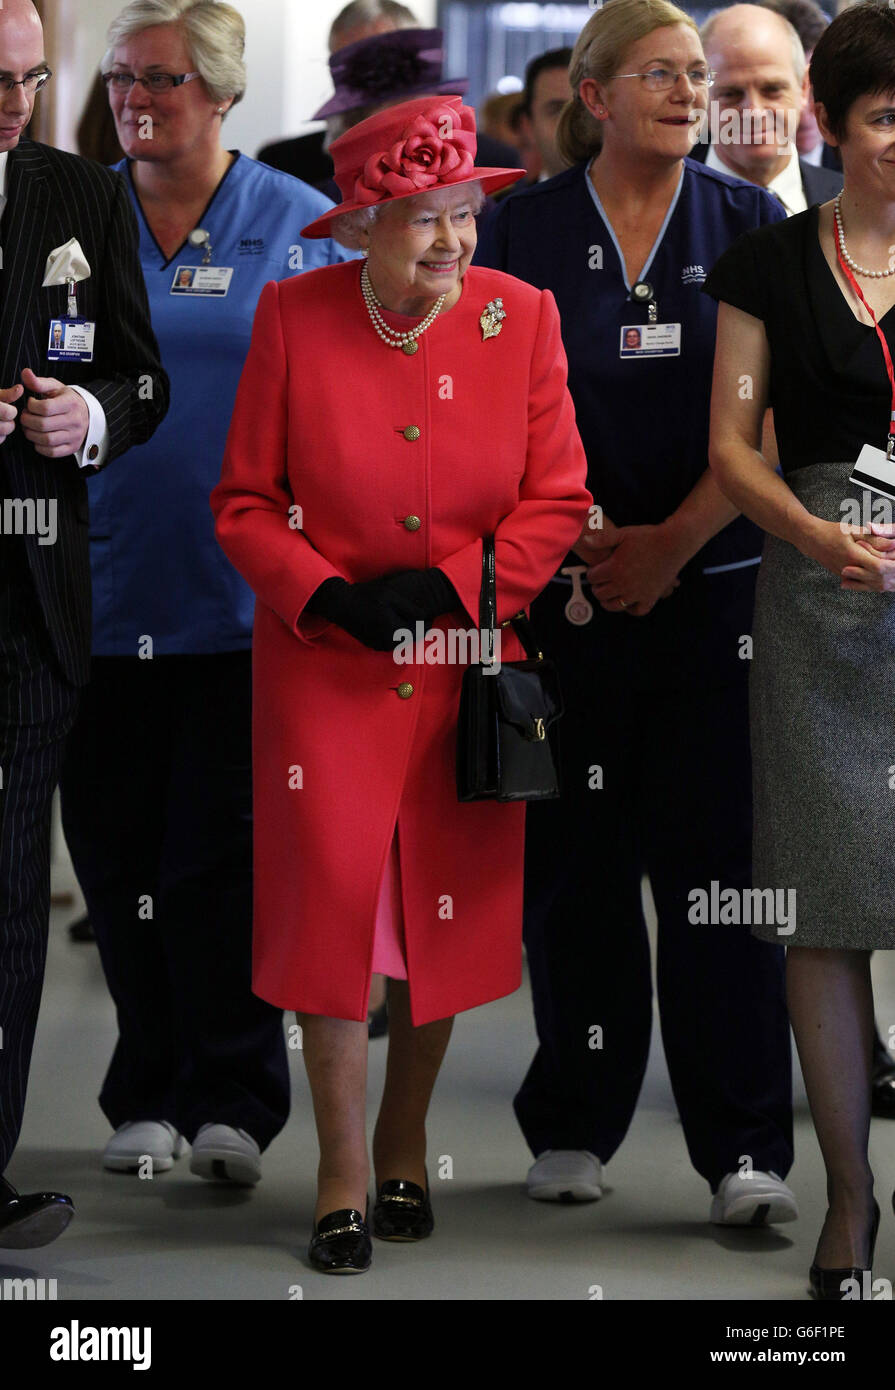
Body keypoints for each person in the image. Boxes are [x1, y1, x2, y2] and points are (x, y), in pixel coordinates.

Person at [211, 94, 591, 1273]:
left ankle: (404, 1138)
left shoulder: (520, 316)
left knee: (440, 911)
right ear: (362, 226)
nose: (452, 241)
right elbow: (241, 503)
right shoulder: (292, 315)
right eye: (422, 219)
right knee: (332, 904)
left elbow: (557, 498)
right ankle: (335, 1171)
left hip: (466, 661)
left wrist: (447, 589)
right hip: (324, 667)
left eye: (464, 214)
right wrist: (326, 594)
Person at [478, 0, 797, 1231]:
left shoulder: (750, 221)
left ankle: (742, 1150)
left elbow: (768, 420)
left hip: (709, 592)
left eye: (699, 75)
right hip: (567, 596)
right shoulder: (519, 228)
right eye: (660, 73)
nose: (689, 91)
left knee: (720, 882)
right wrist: (581, 537)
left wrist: (669, 544)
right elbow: (490, 405)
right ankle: (571, 1120)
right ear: (593, 98)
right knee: (579, 873)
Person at [58, 0, 350, 1186]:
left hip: (245, 606)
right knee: (117, 859)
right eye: (123, 79)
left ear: (223, 97)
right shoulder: (74, 217)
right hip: (97, 586)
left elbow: (345, 397)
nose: (136, 98)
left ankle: (234, 1091)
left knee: (216, 863)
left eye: (163, 80)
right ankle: (146, 1090)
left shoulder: (297, 224)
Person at [704, 0, 895, 1298]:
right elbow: (726, 446)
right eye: (884, 118)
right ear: (827, 126)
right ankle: (846, 1195)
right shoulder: (769, 265)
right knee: (820, 914)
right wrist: (811, 533)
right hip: (818, 605)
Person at [0, 0, 168, 1247]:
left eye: (32, 78)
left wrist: (89, 421)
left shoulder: (79, 197)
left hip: (27, 612)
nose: (15, 101)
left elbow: (141, 375)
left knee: (9, 900)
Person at [259, 24, 518, 200]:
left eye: (418, 107)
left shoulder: (488, 162)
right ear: (358, 117)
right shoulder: (296, 176)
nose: (414, 121)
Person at [692, 5, 841, 213]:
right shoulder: (661, 206)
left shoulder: (854, 201)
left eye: (772, 90)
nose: (754, 111)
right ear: (700, 96)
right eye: (731, 94)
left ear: (804, 87)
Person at [757, 0, 841, 170]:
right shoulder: (695, 164)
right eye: (777, 89)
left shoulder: (867, 168)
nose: (803, 113)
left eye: (815, 86)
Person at [516, 48, 574, 182]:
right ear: (528, 126)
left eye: (585, 110)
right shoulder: (504, 203)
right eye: (558, 110)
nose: (573, 124)